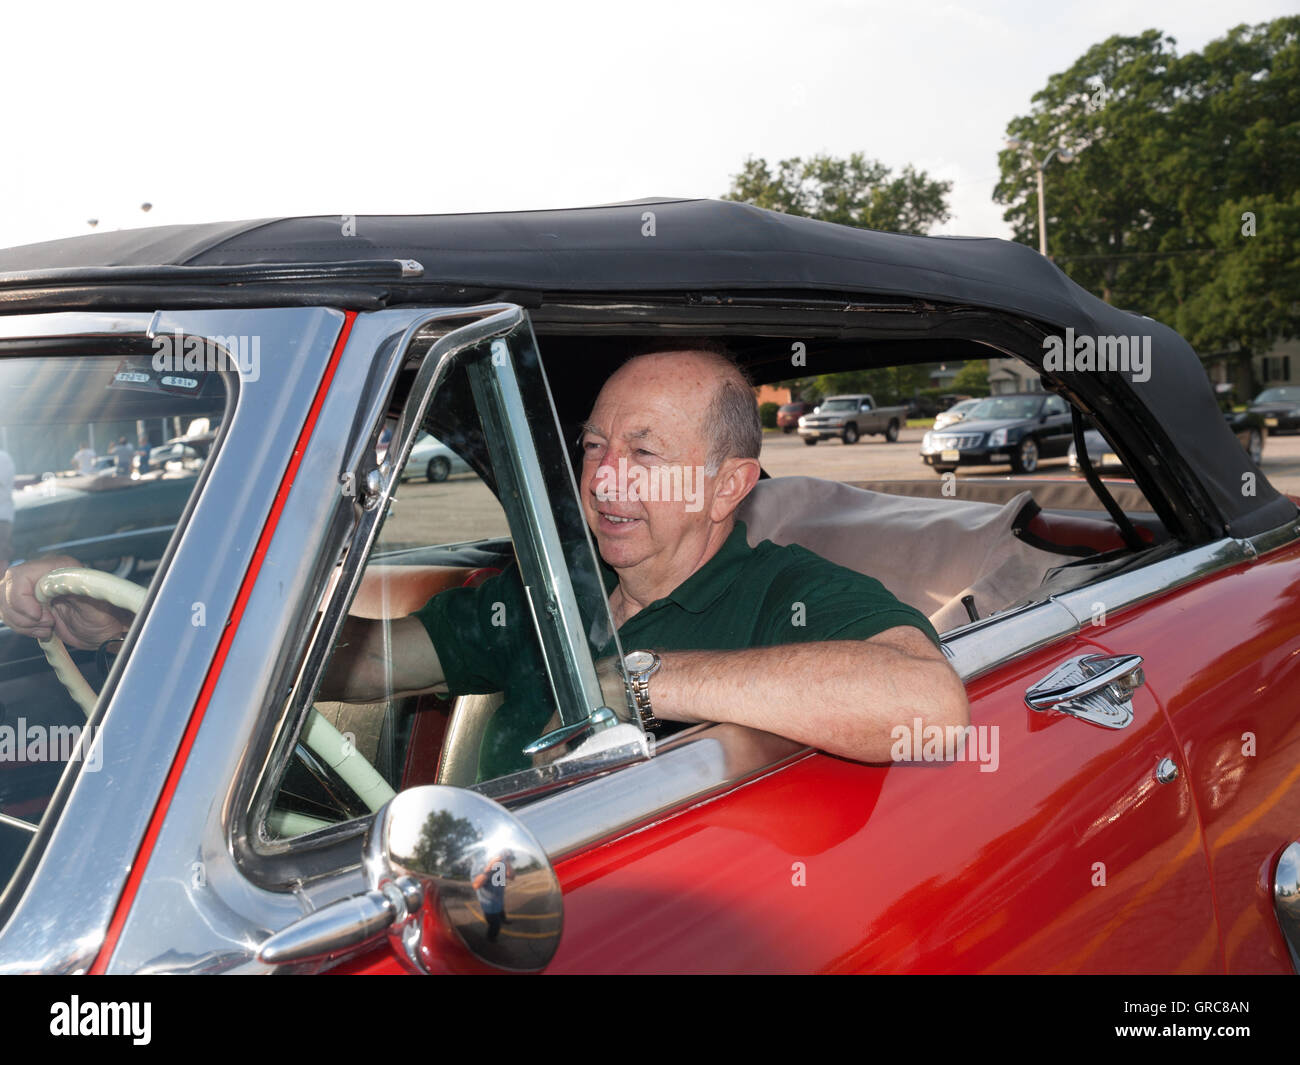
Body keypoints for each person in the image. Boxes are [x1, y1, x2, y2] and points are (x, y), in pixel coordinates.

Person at [0, 345, 970, 778]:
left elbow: (927, 708)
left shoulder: (788, 595)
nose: (602, 482)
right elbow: (368, 664)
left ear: (727, 487)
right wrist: (135, 622)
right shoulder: (546, 593)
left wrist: (633, 678)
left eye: (644, 454)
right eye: (592, 447)